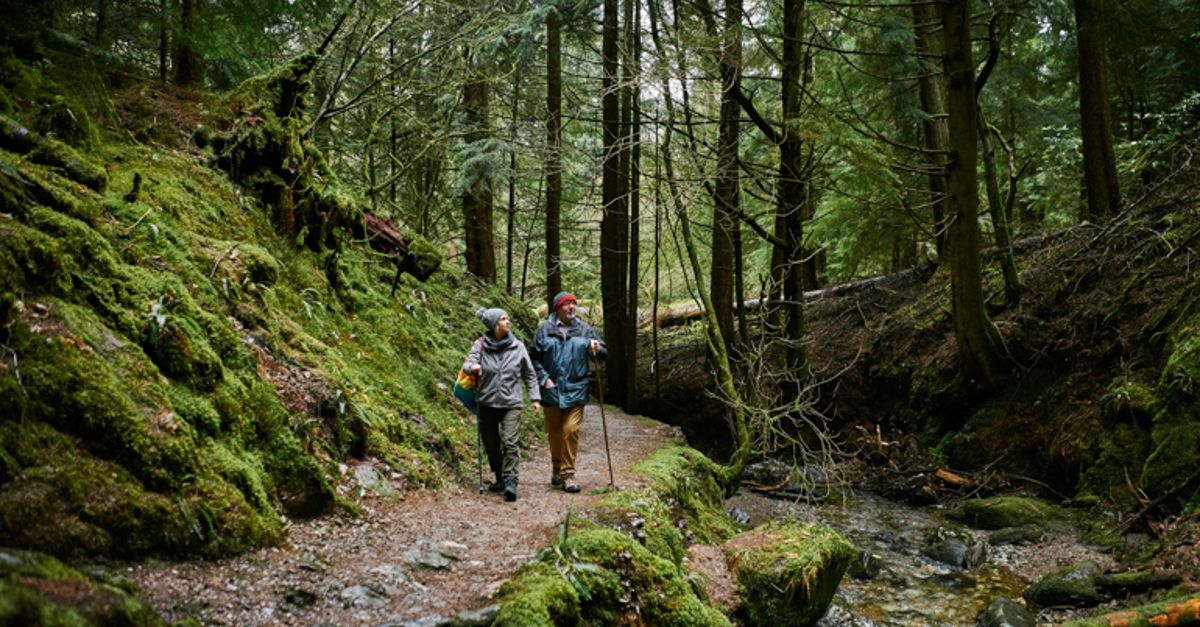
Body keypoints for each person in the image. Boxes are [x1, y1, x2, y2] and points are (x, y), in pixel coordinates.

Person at [530, 291, 606, 493]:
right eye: (567, 304)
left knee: (570, 430)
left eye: (573, 303)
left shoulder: (584, 329)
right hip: (551, 391)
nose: (571, 307)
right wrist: (544, 378)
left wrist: (597, 348)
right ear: (558, 308)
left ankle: (568, 474)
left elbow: (603, 352)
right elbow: (533, 358)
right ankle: (556, 466)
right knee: (554, 434)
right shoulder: (544, 330)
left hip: (576, 389)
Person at [465, 307, 541, 502]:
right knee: (491, 443)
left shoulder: (518, 347)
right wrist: (473, 367)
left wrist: (535, 398)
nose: (508, 322)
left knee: (509, 441)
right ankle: (499, 476)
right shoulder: (480, 345)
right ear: (494, 324)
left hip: (511, 403)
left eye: (508, 318)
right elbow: (468, 363)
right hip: (487, 402)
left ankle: (510, 481)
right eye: (503, 319)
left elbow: (529, 374)